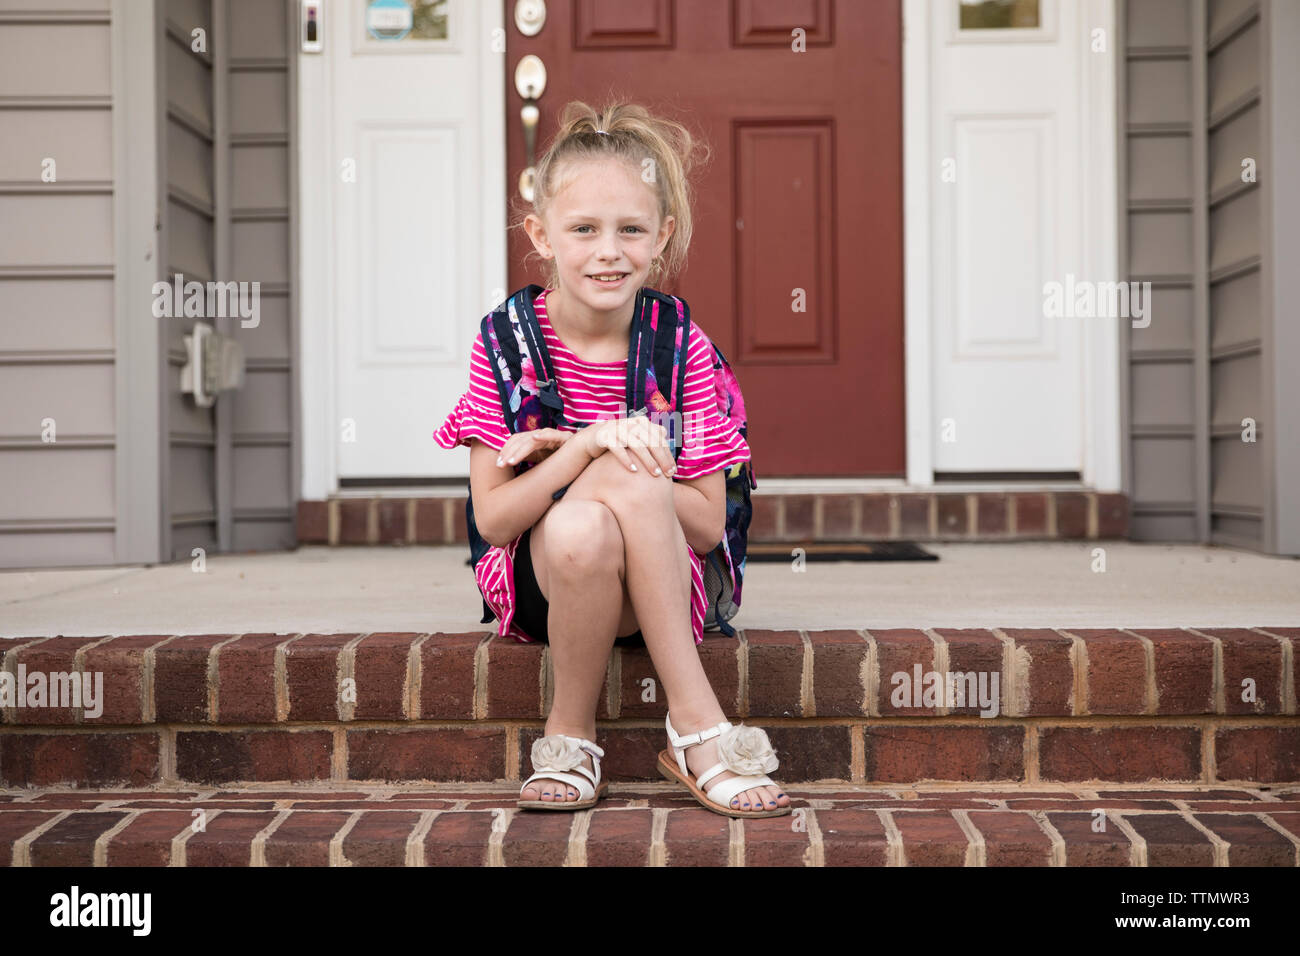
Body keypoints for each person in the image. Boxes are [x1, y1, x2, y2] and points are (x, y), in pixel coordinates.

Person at [434, 101, 791, 818]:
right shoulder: (505, 346)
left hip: (666, 583)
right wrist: (592, 444)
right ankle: (695, 729)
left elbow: (703, 526)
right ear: (541, 235)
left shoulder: (678, 345)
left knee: (618, 481)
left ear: (660, 237)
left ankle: (573, 739)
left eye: (631, 229)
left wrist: (587, 452)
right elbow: (497, 522)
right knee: (581, 525)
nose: (609, 251)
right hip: (550, 586)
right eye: (584, 229)